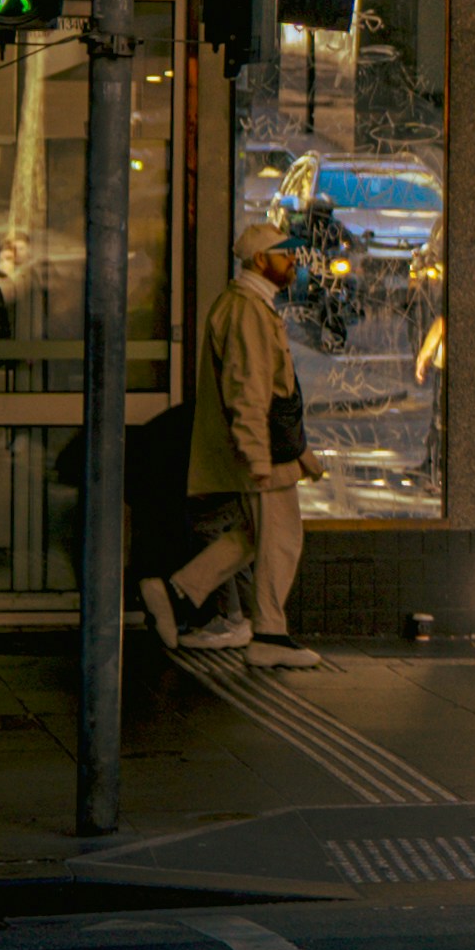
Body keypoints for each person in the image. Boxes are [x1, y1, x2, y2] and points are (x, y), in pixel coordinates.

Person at [152, 228, 314, 663]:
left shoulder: (250, 306)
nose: (294, 261)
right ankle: (269, 637)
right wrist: (258, 456)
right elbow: (248, 390)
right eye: (285, 255)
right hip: (260, 454)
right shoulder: (246, 311)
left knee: (254, 537)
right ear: (261, 260)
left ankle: (176, 593)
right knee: (281, 539)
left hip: (263, 450)